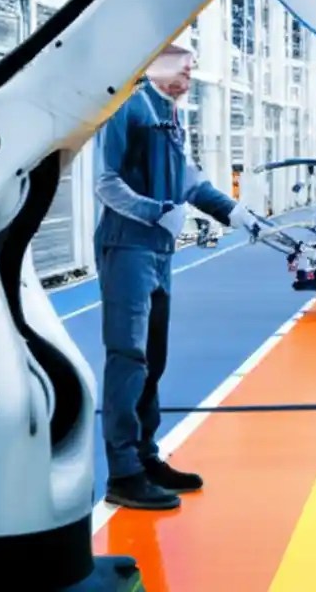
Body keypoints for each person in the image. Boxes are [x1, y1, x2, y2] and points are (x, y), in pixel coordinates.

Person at [94, 42, 260, 510]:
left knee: (153, 358)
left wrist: (234, 212)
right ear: (155, 61)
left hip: (158, 252)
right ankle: (123, 473)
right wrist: (155, 212)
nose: (191, 68)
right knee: (128, 358)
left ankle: (146, 457)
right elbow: (106, 182)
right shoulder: (126, 105)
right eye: (183, 59)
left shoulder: (170, 116)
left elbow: (189, 182)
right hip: (127, 246)